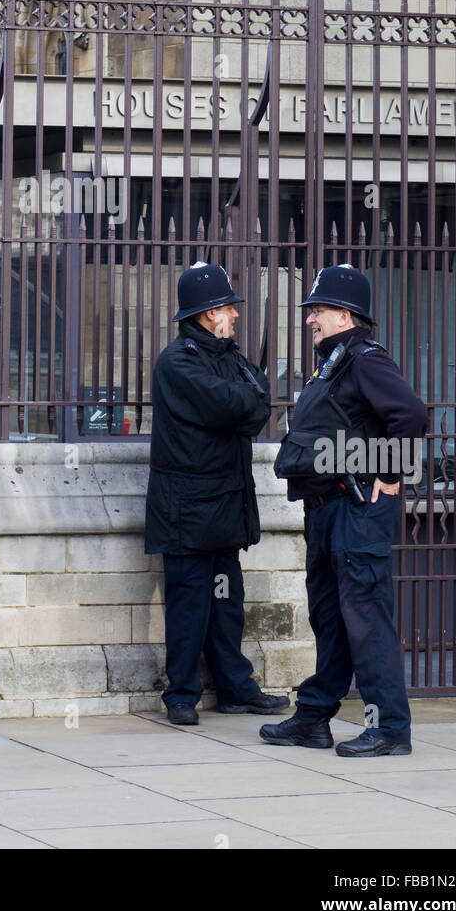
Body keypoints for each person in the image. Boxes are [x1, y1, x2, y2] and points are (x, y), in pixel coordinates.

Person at [261, 264, 427, 758]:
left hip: (359, 509)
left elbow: (412, 414)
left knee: (365, 614)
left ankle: (390, 729)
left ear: (345, 314)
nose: (311, 318)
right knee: (330, 616)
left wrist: (392, 472)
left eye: (319, 310)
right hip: (327, 508)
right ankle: (314, 718)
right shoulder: (331, 362)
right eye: (311, 309)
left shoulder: (364, 359)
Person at [145, 261, 291, 726]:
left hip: (225, 505)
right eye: (230, 307)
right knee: (189, 607)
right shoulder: (178, 361)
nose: (236, 314)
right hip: (188, 510)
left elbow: (259, 399)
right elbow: (231, 404)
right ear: (209, 313)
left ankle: (235, 688)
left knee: (226, 604)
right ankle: (182, 694)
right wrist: (243, 404)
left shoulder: (228, 355)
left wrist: (244, 404)